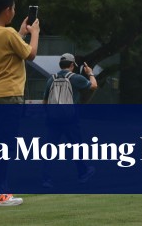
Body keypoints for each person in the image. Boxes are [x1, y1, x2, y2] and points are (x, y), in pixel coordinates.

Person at [0, 0, 39, 207]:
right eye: (13, 8)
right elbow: (30, 54)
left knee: (0, 142)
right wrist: (34, 33)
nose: (14, 11)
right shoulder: (8, 34)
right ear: (7, 11)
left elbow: (10, 48)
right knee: (5, 145)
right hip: (9, 95)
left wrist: (21, 33)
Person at [40, 53, 98, 186]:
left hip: (53, 120)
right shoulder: (76, 78)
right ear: (72, 65)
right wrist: (90, 73)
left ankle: (46, 178)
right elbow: (94, 86)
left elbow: (45, 101)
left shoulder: (51, 79)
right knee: (76, 146)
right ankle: (83, 173)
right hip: (70, 119)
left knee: (49, 149)